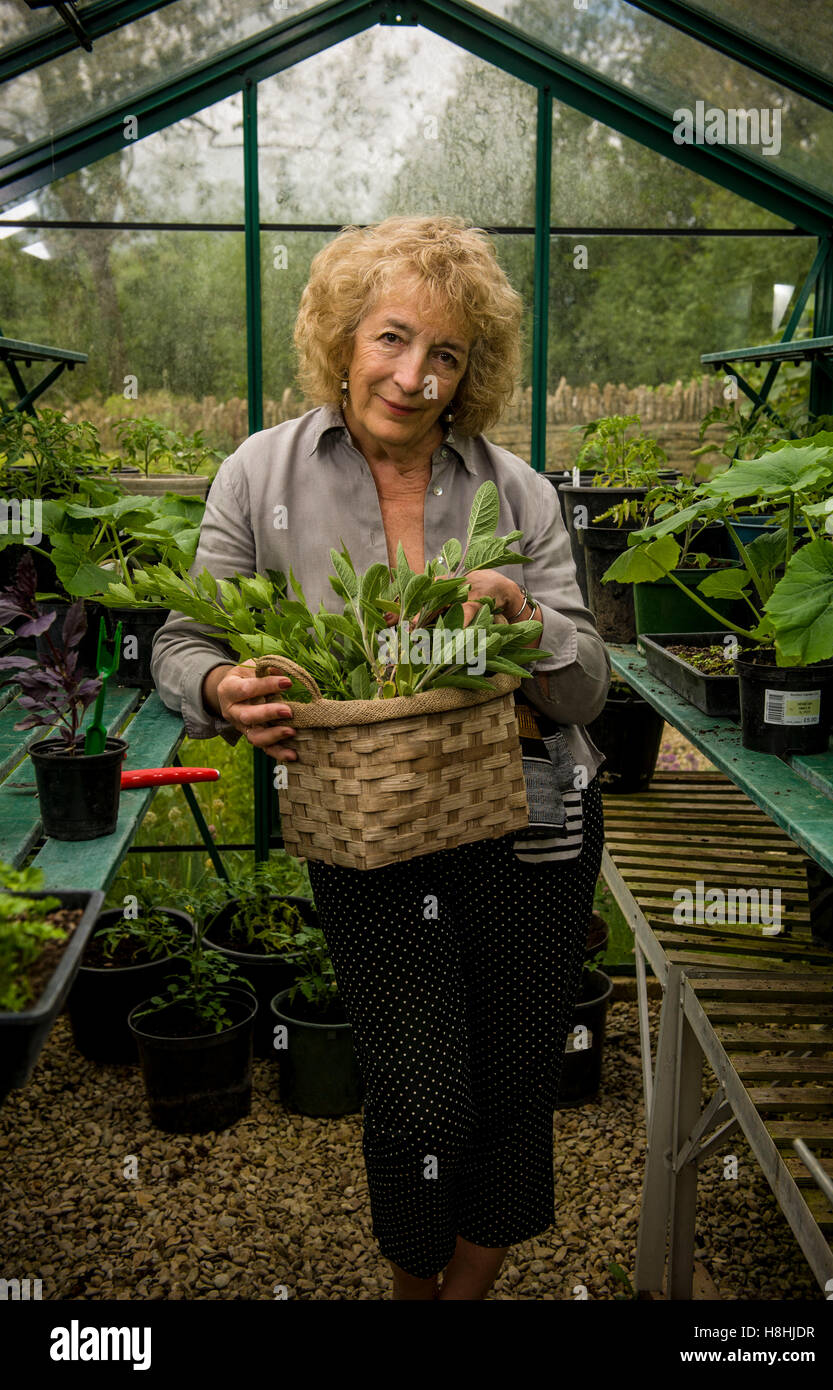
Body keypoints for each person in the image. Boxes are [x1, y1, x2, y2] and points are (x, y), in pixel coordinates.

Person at [151, 214, 611, 1300]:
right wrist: (222, 689)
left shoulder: (519, 492)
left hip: (533, 826)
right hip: (368, 839)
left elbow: (588, 682)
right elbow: (181, 643)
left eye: (445, 354)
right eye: (392, 338)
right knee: (420, 1101)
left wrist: (526, 624)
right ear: (342, 338)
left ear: (471, 370)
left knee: (510, 1094)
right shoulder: (260, 473)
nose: (413, 376)